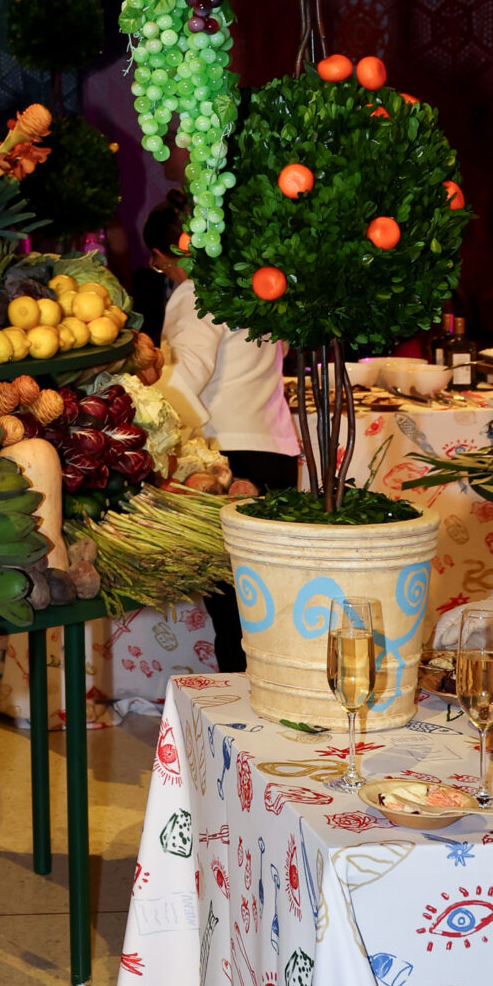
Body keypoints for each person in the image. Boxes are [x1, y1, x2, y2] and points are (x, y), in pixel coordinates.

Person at [145, 197, 298, 671]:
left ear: (170, 256)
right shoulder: (260, 286)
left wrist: (146, 414)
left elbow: (186, 373)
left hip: (227, 456)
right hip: (275, 451)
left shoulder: (197, 293)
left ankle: (241, 729)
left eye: (159, 263)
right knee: (270, 607)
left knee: (234, 617)